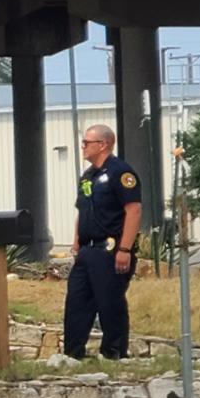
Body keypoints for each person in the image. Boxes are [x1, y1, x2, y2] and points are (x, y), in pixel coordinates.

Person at [64, 123, 143, 360]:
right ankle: (73, 352)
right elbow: (83, 210)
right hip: (88, 250)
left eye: (87, 143)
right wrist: (76, 243)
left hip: (110, 249)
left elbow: (134, 210)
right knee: (77, 301)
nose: (83, 147)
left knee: (109, 301)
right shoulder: (89, 175)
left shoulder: (121, 172)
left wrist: (125, 249)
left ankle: (113, 351)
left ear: (103, 144)